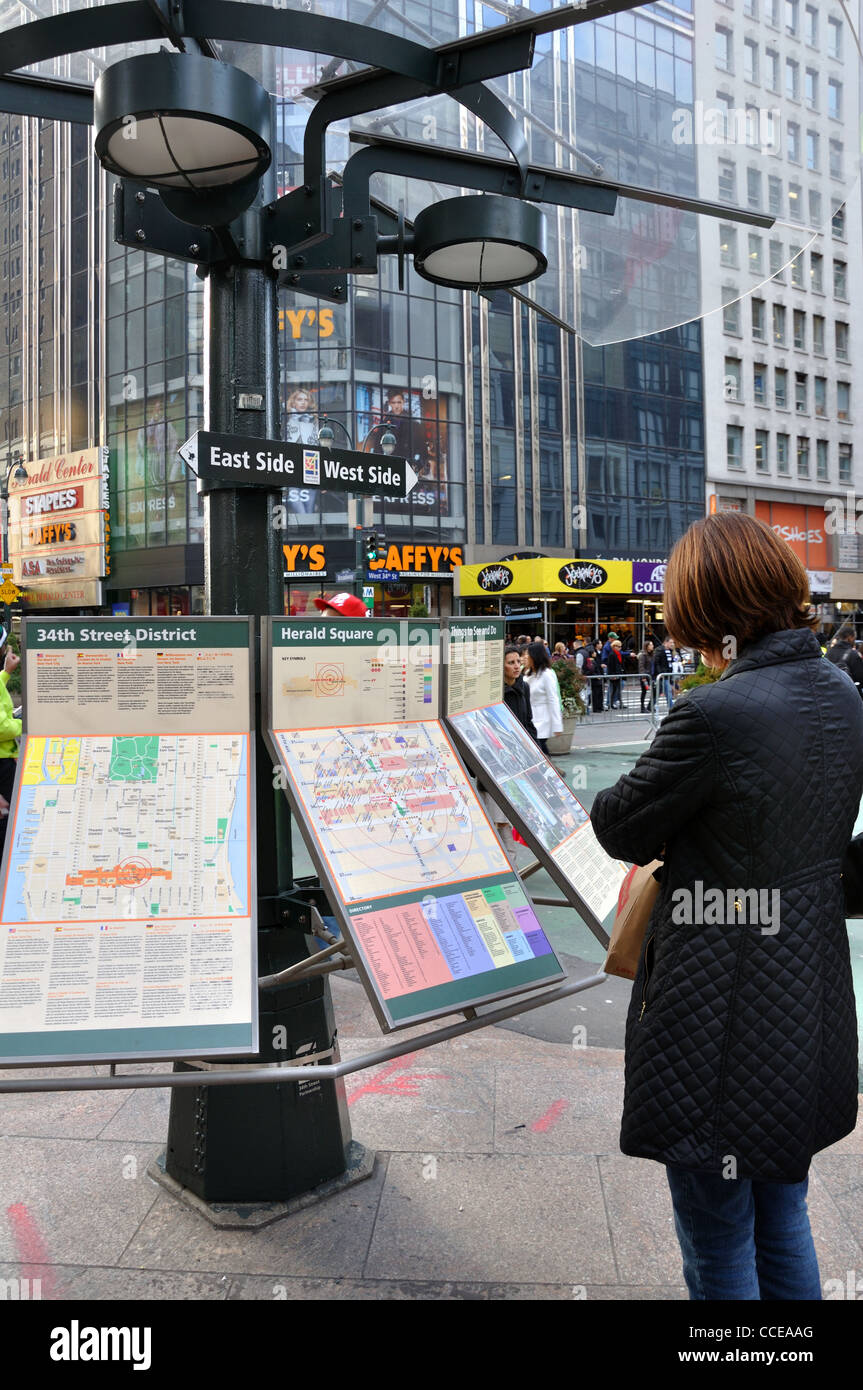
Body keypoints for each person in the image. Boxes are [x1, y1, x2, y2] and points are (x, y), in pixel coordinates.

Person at [591, 511, 863, 1301]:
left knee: (716, 1239)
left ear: (705, 610)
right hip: (805, 996)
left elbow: (617, 825)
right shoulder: (841, 691)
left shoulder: (713, 713)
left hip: (715, 1012)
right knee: (782, 1210)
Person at [0, 631, 21, 857]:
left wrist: (6, 673)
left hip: (5, 759)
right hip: (2, 763)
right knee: (7, 821)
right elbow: (1, 728)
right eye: (5, 645)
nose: (7, 649)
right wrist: (22, 725)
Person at [522, 640, 562, 753]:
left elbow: (553, 699)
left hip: (543, 720)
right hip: (530, 719)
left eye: (527, 655)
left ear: (534, 657)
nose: (525, 657)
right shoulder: (528, 674)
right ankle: (552, 768)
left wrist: (557, 725)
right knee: (538, 751)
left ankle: (551, 769)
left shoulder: (547, 675)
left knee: (539, 749)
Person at [502, 646, 537, 740]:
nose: (517, 666)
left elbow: (528, 720)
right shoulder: (497, 692)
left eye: (518, 661)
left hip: (524, 742)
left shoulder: (524, 686)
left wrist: (536, 747)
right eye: (511, 663)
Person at [825, 624, 863, 696]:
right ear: (849, 637)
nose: (854, 640)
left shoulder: (828, 653)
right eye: (854, 637)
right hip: (849, 695)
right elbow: (860, 677)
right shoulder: (853, 654)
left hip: (829, 693)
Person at [652, 634, 675, 711]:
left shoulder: (670, 651)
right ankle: (671, 707)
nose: (672, 644)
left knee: (659, 692)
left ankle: (650, 706)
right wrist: (660, 673)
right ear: (666, 642)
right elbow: (657, 662)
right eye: (671, 642)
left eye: (673, 642)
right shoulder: (659, 650)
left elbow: (669, 663)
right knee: (667, 691)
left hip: (667, 674)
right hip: (662, 675)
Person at [606, 637, 624, 709]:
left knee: (618, 689)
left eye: (620, 647)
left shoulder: (618, 654)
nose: (620, 648)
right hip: (614, 674)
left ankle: (618, 703)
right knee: (613, 690)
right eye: (618, 646)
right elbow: (610, 666)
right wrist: (612, 675)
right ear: (614, 647)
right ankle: (611, 703)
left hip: (618, 673)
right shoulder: (612, 654)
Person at [638, 639, 654, 713]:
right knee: (644, 692)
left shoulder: (652, 654)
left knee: (654, 691)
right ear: (647, 646)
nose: (652, 646)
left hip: (651, 675)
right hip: (645, 676)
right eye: (651, 645)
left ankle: (650, 706)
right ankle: (642, 707)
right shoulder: (643, 655)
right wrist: (643, 677)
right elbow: (641, 666)